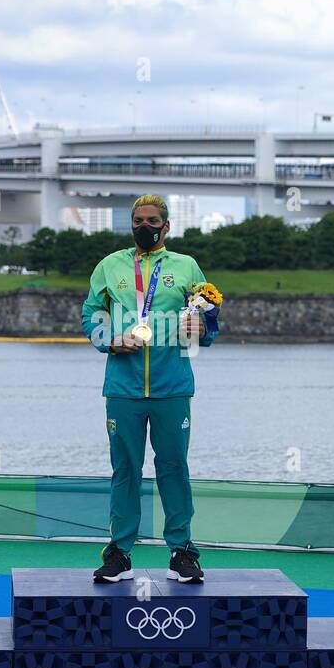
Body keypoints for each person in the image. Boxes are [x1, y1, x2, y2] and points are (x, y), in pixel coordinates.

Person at [80, 194, 220, 584]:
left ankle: (182, 552)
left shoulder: (186, 266)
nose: (145, 226)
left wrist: (203, 328)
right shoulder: (110, 266)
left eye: (152, 221)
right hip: (122, 388)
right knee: (125, 469)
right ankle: (119, 553)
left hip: (171, 387)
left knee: (173, 468)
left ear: (166, 226)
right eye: (138, 221)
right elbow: (90, 313)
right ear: (131, 225)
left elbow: (207, 317)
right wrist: (110, 339)